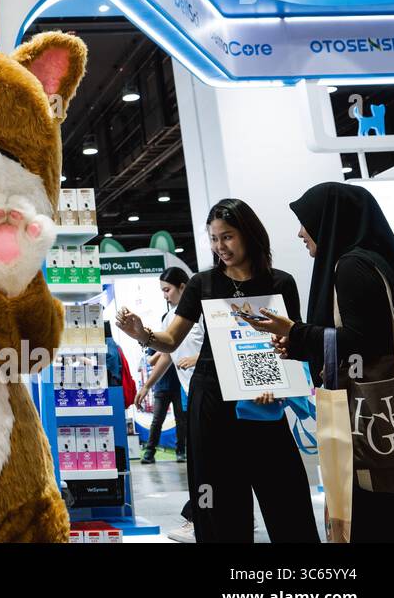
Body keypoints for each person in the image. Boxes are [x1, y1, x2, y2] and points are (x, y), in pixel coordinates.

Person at [115, 198, 319, 543]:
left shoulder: (280, 282)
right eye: (214, 238)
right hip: (211, 402)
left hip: (264, 403)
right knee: (217, 503)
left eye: (227, 237)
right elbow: (171, 340)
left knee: (287, 498)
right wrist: (142, 334)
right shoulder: (202, 284)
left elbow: (292, 342)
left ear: (249, 235)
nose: (219, 246)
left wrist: (274, 381)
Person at [249, 182, 394, 542]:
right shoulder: (372, 258)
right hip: (388, 426)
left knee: (375, 517)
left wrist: (296, 331)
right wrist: (300, 342)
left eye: (306, 220)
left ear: (330, 220)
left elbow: (360, 342)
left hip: (372, 422)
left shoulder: (351, 267)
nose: (301, 232)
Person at [136, 268, 190, 466]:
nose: (165, 296)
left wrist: (197, 358)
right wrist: (146, 386)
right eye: (162, 291)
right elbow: (167, 353)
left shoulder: (202, 310)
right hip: (184, 388)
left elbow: (216, 347)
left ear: (182, 287)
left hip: (206, 386)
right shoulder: (168, 318)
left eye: (167, 290)